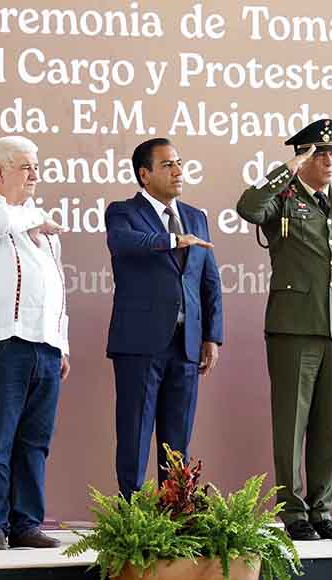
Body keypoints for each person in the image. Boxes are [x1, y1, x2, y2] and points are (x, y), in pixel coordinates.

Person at [236, 120, 332, 541]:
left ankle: (321, 509)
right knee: (292, 425)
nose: (328, 160)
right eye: (319, 153)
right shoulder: (283, 197)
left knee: (331, 424)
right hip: (294, 326)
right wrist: (286, 169)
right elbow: (248, 208)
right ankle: (293, 512)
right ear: (303, 158)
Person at [0, 136, 70, 550]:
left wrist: (62, 343)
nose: (35, 174)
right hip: (2, 343)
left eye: (36, 166)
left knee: (35, 442)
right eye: (26, 166)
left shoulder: (42, 226)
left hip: (44, 345)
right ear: (0, 172)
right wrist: (34, 219)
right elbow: (2, 222)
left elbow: (57, 287)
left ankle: (25, 523)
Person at [105, 138, 223, 498]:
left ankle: (174, 518)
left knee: (177, 441)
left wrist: (211, 337)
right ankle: (132, 518)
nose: (178, 171)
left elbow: (209, 281)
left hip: (186, 345)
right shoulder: (123, 212)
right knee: (135, 435)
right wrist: (174, 240)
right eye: (168, 165)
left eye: (179, 163)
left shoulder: (197, 217)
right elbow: (126, 243)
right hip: (140, 344)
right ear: (145, 174)